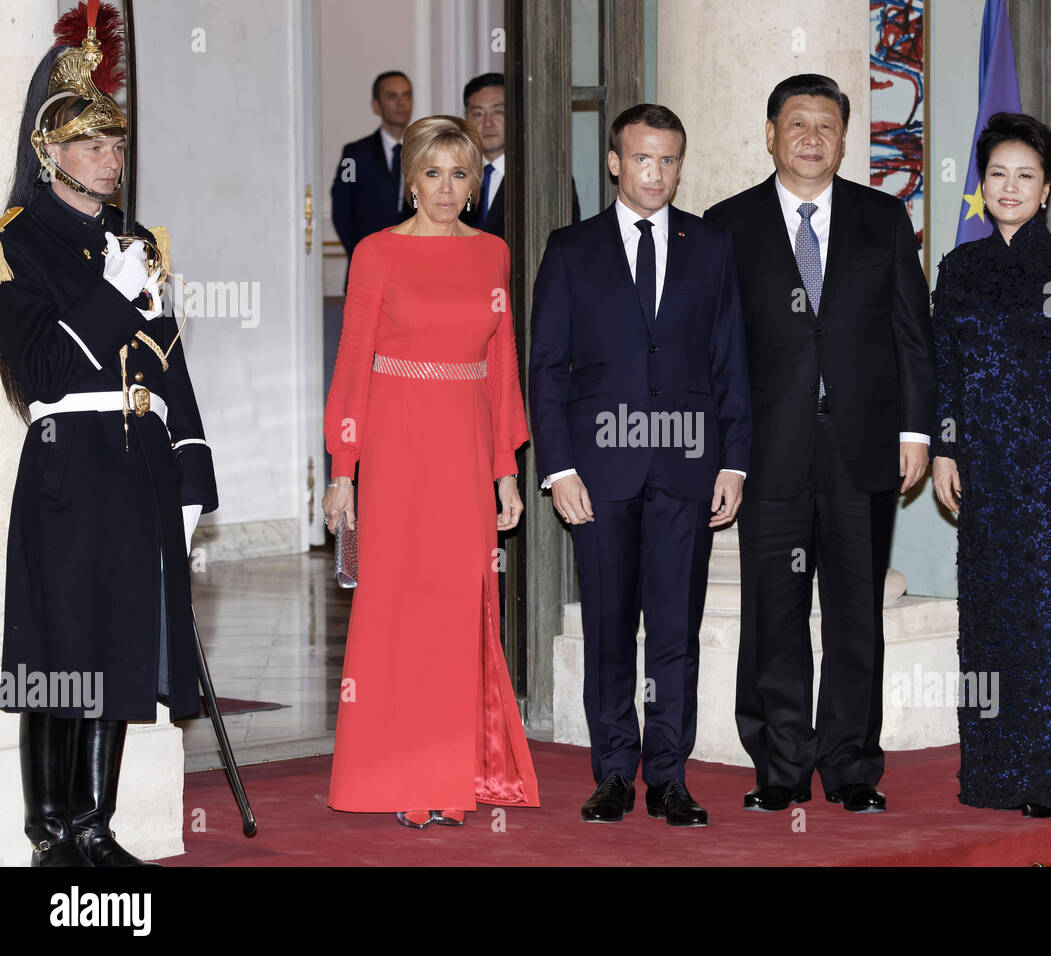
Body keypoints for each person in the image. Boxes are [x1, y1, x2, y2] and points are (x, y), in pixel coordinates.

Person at [0, 2, 217, 865]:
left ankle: (98, 825)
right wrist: (108, 293)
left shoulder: (137, 242)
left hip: (138, 464)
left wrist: (194, 468)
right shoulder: (18, 243)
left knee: (123, 644)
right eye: (92, 145)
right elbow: (40, 373)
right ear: (49, 152)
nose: (111, 160)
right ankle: (52, 831)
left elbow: (168, 364)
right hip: (68, 466)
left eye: (117, 145)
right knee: (63, 652)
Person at [704, 74, 934, 814]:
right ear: (769, 134)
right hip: (769, 449)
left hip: (863, 444)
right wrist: (724, 451)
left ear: (844, 137)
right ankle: (779, 765)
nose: (811, 137)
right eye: (796, 123)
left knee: (855, 609)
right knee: (774, 610)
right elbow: (718, 352)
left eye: (827, 125)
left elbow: (911, 334)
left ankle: (852, 766)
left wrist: (915, 430)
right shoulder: (727, 223)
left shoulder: (882, 216)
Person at [529, 104, 751, 828]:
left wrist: (734, 462)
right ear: (616, 163)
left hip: (689, 467)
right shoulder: (569, 249)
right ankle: (613, 773)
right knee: (609, 627)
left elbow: (730, 364)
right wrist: (558, 470)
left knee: (676, 631)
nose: (658, 174)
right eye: (644, 159)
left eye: (671, 160)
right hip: (598, 473)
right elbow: (547, 371)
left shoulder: (711, 246)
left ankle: (669, 775)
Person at [322, 115, 537, 827]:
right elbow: (353, 360)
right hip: (396, 446)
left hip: (465, 450)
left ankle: (452, 776)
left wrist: (505, 470)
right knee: (398, 613)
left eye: (461, 173)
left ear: (476, 183)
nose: (448, 188)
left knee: (457, 614)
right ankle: (397, 774)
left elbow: (501, 367)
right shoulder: (377, 254)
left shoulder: (493, 255)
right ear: (411, 180)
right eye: (434, 172)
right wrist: (342, 469)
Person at [930, 112, 1051, 817]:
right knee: (991, 619)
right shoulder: (959, 268)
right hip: (981, 469)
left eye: (1026, 177)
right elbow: (943, 370)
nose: (1010, 188)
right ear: (983, 184)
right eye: (999, 174)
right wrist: (946, 446)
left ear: (1047, 189)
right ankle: (997, 772)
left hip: (1050, 465)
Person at [459, 72, 580, 238]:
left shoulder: (545, 177)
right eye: (478, 114)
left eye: (498, 112)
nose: (487, 123)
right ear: (466, 119)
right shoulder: (456, 175)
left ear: (516, 115)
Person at [330, 71, 414, 265]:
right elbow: (341, 209)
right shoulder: (354, 155)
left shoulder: (426, 154)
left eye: (406, 95)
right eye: (392, 96)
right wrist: (360, 254)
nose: (401, 102)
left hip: (414, 268)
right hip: (368, 265)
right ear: (376, 105)